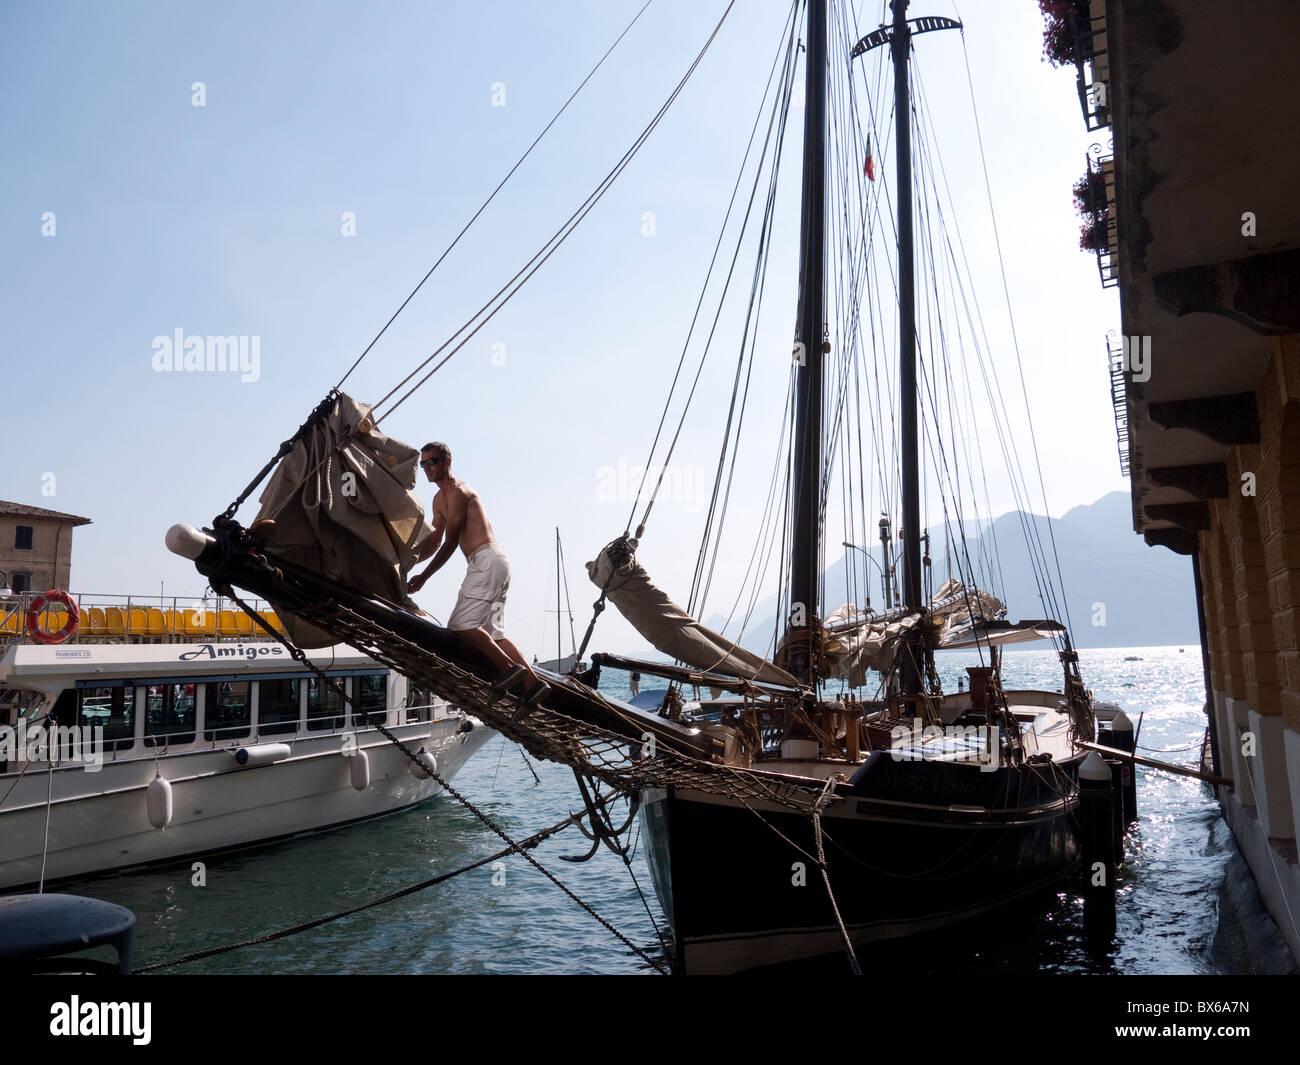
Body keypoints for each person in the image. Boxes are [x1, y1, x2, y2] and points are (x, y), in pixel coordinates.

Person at [406, 442, 550, 704]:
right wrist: (408, 564)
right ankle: (533, 686)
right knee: (494, 633)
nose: (427, 467)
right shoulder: (439, 500)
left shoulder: (459, 492)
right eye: (423, 463)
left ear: (447, 462)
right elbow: (435, 540)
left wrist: (425, 577)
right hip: (492, 563)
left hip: (487, 560)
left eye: (433, 461)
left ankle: (508, 671)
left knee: (462, 624)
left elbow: (451, 541)